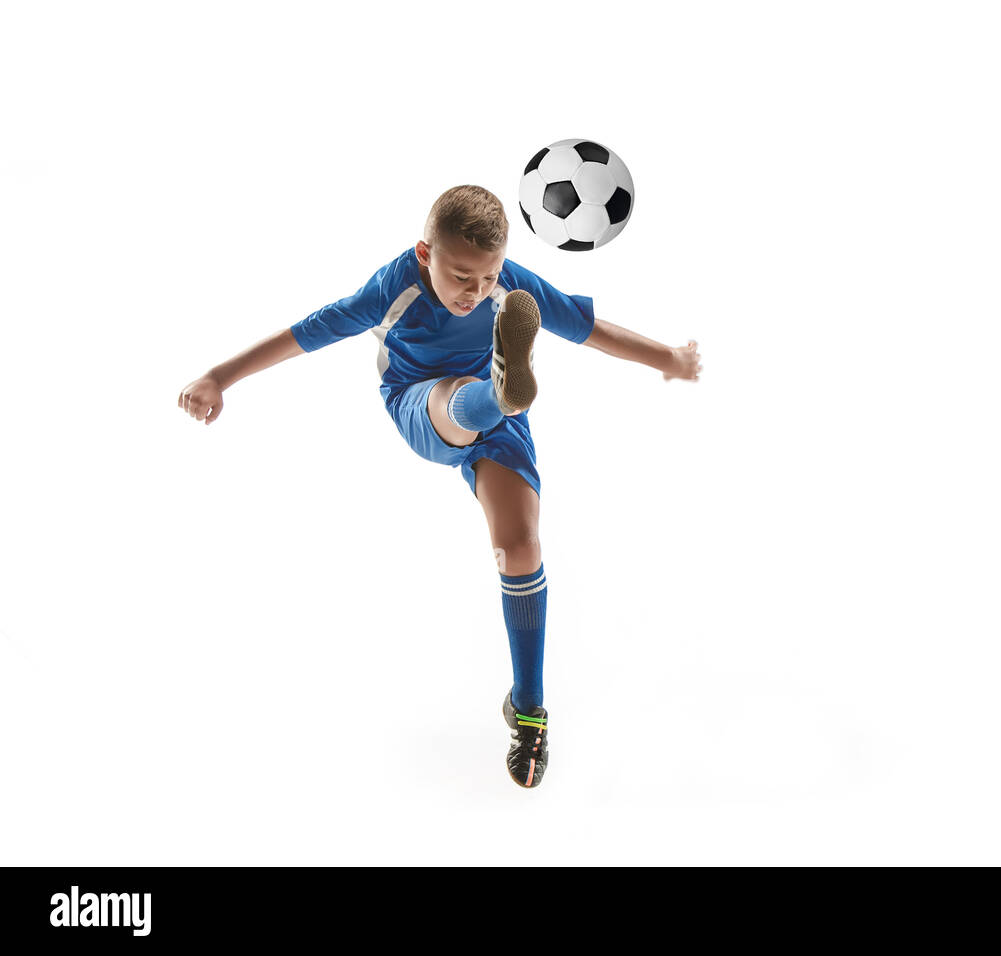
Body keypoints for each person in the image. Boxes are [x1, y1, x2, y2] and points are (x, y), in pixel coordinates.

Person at [176, 185, 703, 789]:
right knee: (463, 401)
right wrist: (219, 376)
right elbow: (309, 331)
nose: (475, 291)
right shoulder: (394, 287)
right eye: (460, 276)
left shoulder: (512, 285)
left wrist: (670, 359)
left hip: (503, 418)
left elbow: (589, 330)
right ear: (425, 255)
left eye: (487, 277)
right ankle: (500, 389)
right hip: (423, 404)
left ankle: (527, 710)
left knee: (521, 549)